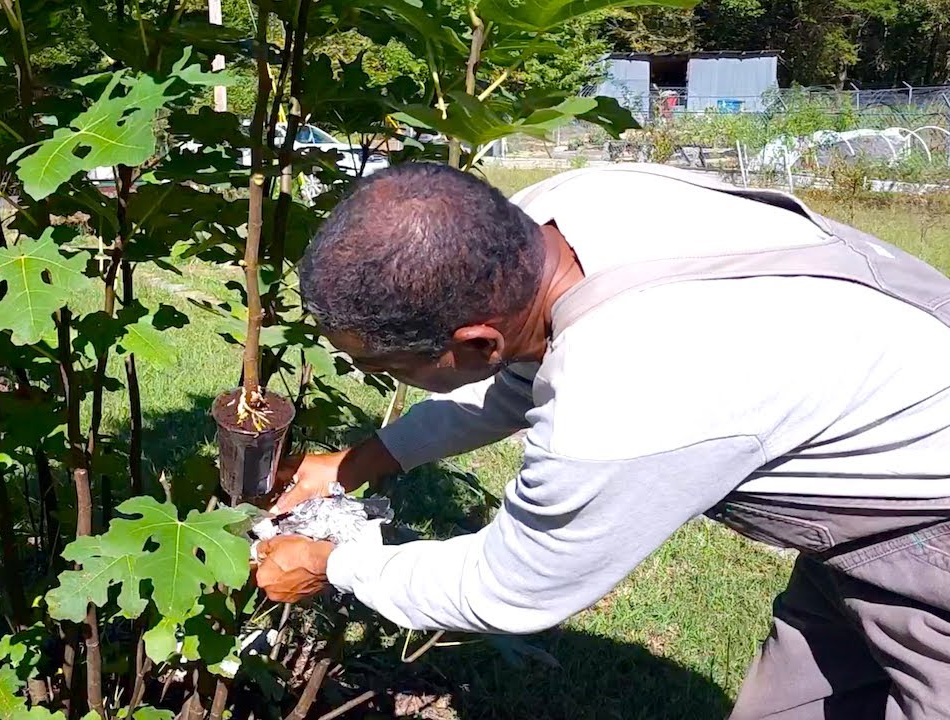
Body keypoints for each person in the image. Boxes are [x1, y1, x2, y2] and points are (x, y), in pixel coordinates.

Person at [252, 162, 950, 720]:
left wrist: (333, 567)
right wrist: (355, 462)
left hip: (930, 537)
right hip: (889, 462)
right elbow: (517, 379)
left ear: (475, 341)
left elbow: (511, 585)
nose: (374, 375)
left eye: (387, 367)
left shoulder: (631, 390)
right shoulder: (557, 219)